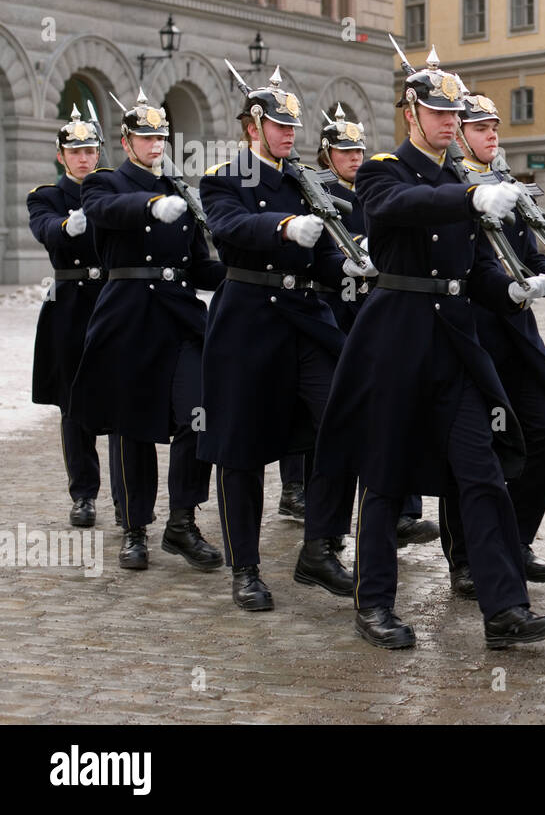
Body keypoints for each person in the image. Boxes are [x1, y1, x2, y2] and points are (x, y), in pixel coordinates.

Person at [311, 46, 545, 651]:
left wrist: (517, 288)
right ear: (412, 112)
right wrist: (467, 200)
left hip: (454, 343)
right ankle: (374, 605)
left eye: (455, 114)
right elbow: (396, 208)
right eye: (439, 113)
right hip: (397, 336)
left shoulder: (458, 177)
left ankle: (504, 609)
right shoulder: (383, 170)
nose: (450, 122)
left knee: (482, 474)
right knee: (387, 476)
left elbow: (472, 270)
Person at [199, 68, 367, 611]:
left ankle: (319, 546)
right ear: (252, 126)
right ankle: (244, 568)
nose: (289, 132)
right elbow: (226, 227)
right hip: (249, 318)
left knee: (340, 422)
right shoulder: (226, 177)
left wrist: (353, 263)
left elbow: (324, 252)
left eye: (293, 124)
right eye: (278, 123)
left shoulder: (303, 180)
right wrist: (281, 227)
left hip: (305, 315)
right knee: (241, 448)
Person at [437, 93, 545, 599]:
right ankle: (464, 558)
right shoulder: (451, 187)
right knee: (473, 450)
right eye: (480, 126)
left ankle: (513, 542)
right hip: (471, 336)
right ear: (458, 133)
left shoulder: (506, 185)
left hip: (518, 339)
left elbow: (527, 254)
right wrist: (507, 286)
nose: (492, 134)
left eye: (495, 125)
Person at [69, 90, 224, 572]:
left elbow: (201, 267)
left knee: (199, 412)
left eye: (160, 136)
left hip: (178, 315)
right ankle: (134, 526)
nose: (155, 144)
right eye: (145, 137)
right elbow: (103, 213)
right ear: (126, 141)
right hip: (129, 314)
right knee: (130, 425)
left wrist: (244, 266)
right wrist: (150, 205)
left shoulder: (181, 190)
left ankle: (181, 520)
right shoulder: (104, 183)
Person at [315, 104, 438, 548]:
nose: (354, 157)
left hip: (379, 310)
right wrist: (343, 265)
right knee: (339, 420)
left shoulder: (376, 184)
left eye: (359, 150)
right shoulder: (320, 190)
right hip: (337, 315)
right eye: (345, 151)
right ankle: (321, 522)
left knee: (398, 417)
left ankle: (406, 511)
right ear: (327, 154)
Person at [28, 106, 119, 528]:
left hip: (113, 300)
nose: (84, 158)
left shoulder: (114, 190)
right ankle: (83, 494)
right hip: (69, 305)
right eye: (75, 151)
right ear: (61, 155)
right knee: (72, 404)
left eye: (90, 150)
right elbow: (45, 228)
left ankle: (128, 502)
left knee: (122, 400)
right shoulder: (46, 195)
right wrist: (68, 225)